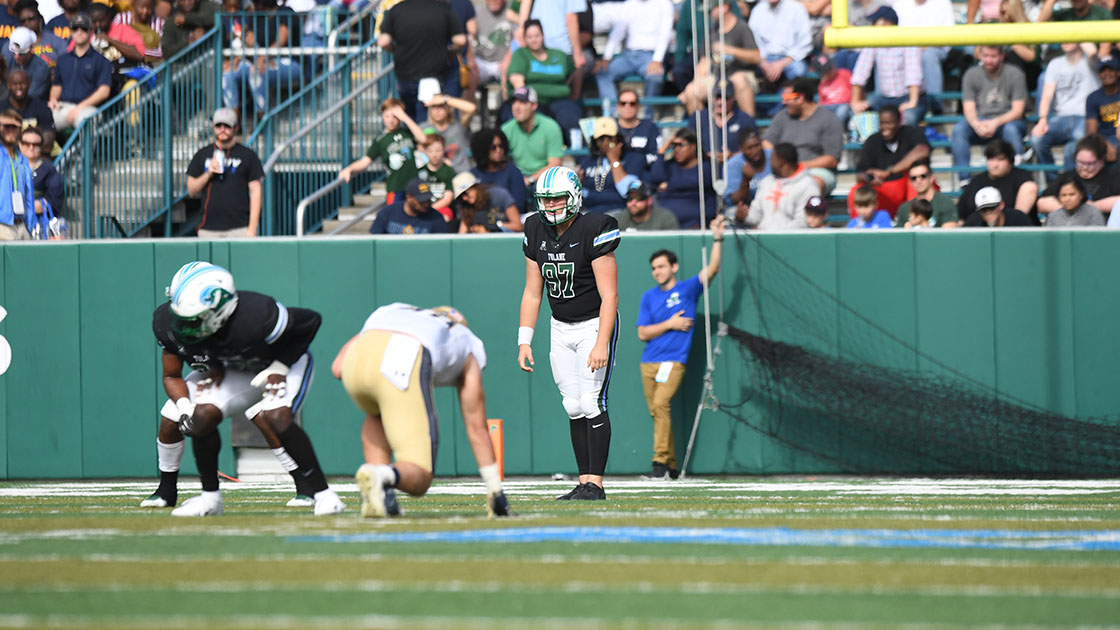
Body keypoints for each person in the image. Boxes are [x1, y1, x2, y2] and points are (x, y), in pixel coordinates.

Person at [144, 261, 345, 517]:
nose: (188, 328)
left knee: (275, 414)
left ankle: (325, 495)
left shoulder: (257, 315)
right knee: (203, 415)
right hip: (240, 368)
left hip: (284, 363)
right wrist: (214, 365)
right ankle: (210, 499)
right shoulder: (171, 322)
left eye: (197, 320)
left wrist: (279, 367)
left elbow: (311, 321)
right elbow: (196, 352)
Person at [332, 303, 511, 519]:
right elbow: (477, 429)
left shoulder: (393, 310)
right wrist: (496, 491)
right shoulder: (466, 340)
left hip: (356, 361)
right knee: (421, 474)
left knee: (376, 413)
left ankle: (380, 493)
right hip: (405, 357)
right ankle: (381, 474)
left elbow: (337, 367)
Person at [518, 165, 620, 501]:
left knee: (592, 402)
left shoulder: (595, 227)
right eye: (545, 200)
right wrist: (524, 339)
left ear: (574, 196)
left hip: (593, 322)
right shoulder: (534, 228)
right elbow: (533, 291)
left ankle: (597, 484)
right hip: (559, 325)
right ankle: (584, 481)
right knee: (572, 406)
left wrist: (602, 341)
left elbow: (610, 296)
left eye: (557, 199)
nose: (550, 207)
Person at [636, 215, 726, 480]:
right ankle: (672, 466)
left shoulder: (687, 289)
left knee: (662, 404)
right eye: (654, 268)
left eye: (662, 266)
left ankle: (659, 463)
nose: (657, 272)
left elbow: (712, 268)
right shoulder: (649, 296)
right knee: (657, 412)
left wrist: (717, 237)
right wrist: (670, 323)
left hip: (674, 361)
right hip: (649, 362)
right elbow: (642, 332)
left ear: (674, 267)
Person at [378, 0, 465, 122]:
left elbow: (383, 41)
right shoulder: (443, 9)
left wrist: (395, 50)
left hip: (405, 76)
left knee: (409, 120)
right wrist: (450, 51)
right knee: (429, 123)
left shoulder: (396, 10)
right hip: (433, 75)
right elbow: (460, 40)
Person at [186, 107, 263, 238]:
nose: (222, 129)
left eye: (227, 125)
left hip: (239, 229)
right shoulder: (202, 154)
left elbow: (256, 192)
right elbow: (192, 190)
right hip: (208, 229)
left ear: (236, 128)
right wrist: (208, 174)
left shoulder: (247, 155)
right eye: (218, 125)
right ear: (213, 127)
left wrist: (252, 227)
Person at [1030, 43, 1099, 182]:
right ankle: (1054, 183)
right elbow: (1047, 96)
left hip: (1085, 117)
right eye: (1064, 37)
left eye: (1071, 37)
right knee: (1036, 140)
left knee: (1070, 150)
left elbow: (1093, 53)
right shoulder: (1055, 63)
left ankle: (1071, 186)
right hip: (1061, 118)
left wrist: (1078, 36)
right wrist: (1042, 120)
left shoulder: (1090, 59)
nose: (1066, 41)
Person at [505, 19, 580, 146]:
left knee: (571, 116)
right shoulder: (521, 54)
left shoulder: (559, 55)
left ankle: (577, 156)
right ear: (525, 38)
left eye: (537, 36)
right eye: (530, 37)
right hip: (532, 103)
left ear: (543, 35)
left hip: (559, 102)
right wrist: (529, 105)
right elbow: (518, 82)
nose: (534, 40)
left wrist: (574, 96)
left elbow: (575, 72)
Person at [952, 45, 1029, 170]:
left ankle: (1016, 173)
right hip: (983, 121)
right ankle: (964, 179)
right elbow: (969, 108)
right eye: (985, 56)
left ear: (1002, 56)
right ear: (979, 56)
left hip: (1008, 121)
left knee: (1011, 129)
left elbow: (1017, 111)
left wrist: (995, 123)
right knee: (959, 130)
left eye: (993, 56)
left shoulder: (1015, 74)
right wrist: (976, 124)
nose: (989, 60)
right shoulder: (971, 74)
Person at [764, 77, 844, 196]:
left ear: (800, 98)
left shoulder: (829, 119)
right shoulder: (782, 116)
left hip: (816, 171)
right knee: (764, 184)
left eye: (787, 98)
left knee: (811, 185)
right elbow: (767, 143)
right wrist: (778, 163)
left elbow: (831, 159)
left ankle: (810, 214)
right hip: (783, 170)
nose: (783, 102)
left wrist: (797, 167)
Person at [678, 2, 760, 117]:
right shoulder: (712, 32)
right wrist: (691, 86)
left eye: (712, 10)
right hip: (716, 77)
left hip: (741, 75)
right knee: (692, 91)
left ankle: (748, 130)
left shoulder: (742, 28)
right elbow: (704, 63)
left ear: (724, 8)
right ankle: (702, 131)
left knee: (739, 79)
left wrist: (730, 50)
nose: (709, 14)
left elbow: (756, 57)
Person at [220, 0, 301, 115]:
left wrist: (264, 57)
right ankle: (232, 122)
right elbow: (248, 41)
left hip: (289, 62)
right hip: (259, 62)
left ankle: (262, 121)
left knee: (255, 72)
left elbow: (280, 41)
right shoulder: (257, 17)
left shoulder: (285, 12)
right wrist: (236, 60)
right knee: (228, 73)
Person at [849, 7, 925, 127]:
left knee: (908, 119)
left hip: (907, 97)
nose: (873, 26)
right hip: (884, 98)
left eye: (875, 22)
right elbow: (860, 72)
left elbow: (913, 74)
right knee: (859, 116)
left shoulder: (908, 40)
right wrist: (855, 102)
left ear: (888, 23)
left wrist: (912, 101)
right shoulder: (874, 41)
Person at [849, 105, 931, 218]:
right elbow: (861, 172)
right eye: (882, 123)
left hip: (907, 185)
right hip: (883, 188)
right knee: (857, 190)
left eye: (889, 123)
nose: (885, 127)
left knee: (917, 177)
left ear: (899, 122)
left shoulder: (911, 133)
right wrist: (869, 176)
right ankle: (859, 228)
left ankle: (917, 224)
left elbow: (922, 151)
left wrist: (889, 172)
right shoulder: (873, 140)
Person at [593, 0, 673, 109]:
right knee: (603, 72)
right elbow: (618, 31)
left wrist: (657, 60)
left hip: (651, 56)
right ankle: (612, 115)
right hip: (629, 55)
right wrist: (606, 57)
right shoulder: (629, 4)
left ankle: (648, 117)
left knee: (655, 77)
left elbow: (665, 34)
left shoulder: (664, 4)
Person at [340, 98, 418, 204]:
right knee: (394, 218)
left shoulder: (407, 132)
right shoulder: (380, 140)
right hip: (396, 188)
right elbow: (365, 161)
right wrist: (349, 169)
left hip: (414, 186)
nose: (391, 120)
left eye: (395, 116)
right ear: (382, 116)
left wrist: (405, 118)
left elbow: (423, 138)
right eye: (387, 116)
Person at [49, 12, 112, 133]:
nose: (79, 31)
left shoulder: (101, 60)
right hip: (63, 107)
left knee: (86, 121)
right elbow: (57, 85)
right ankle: (53, 153)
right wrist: (53, 99)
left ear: (90, 31)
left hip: (88, 108)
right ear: (71, 32)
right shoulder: (63, 59)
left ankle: (83, 153)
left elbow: (104, 92)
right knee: (44, 120)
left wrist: (78, 109)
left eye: (83, 28)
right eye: (75, 28)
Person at [737, 142, 819, 230]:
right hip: (763, 240)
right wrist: (743, 217)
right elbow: (755, 217)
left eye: (772, 159)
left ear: (781, 162)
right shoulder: (766, 182)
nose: (769, 163)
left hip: (791, 241)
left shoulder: (808, 186)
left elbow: (803, 222)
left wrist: (774, 237)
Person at [649, 128, 718, 229]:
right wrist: (662, 150)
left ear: (693, 146)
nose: (677, 150)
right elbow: (655, 177)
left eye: (681, 145)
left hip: (696, 224)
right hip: (667, 223)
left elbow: (696, 182)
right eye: (674, 146)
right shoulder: (669, 166)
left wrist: (669, 185)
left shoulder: (707, 167)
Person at [1036, 135, 1120, 217]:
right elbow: (1042, 202)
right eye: (1080, 162)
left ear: (1102, 159)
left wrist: (1094, 207)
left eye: (1090, 163)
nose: (1084, 167)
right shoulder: (1067, 177)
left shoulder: (1114, 177)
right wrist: (1067, 209)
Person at [957, 139, 1038, 222]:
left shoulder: (1022, 178)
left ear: (1010, 161)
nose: (995, 165)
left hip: (1015, 231)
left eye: (1000, 159)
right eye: (991, 159)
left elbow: (1019, 219)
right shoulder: (976, 181)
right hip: (981, 232)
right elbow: (961, 216)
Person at [893, 0, 955, 108]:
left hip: (935, 48)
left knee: (929, 56)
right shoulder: (900, 4)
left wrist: (924, 46)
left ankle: (934, 104)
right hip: (906, 49)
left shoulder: (943, 3)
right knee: (885, 54)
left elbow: (949, 35)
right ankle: (893, 101)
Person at [500, 85, 564, 187]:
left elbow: (555, 163)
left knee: (543, 188)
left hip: (545, 177)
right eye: (514, 102)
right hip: (517, 176)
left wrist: (530, 179)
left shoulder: (551, 127)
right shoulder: (506, 129)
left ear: (534, 105)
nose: (516, 107)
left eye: (522, 102)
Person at [579, 116, 643, 215]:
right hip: (590, 211)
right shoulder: (588, 161)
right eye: (601, 139)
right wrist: (579, 185)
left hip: (619, 211)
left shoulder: (632, 159)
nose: (605, 143)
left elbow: (627, 190)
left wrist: (614, 161)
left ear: (618, 139)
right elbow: (584, 195)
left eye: (609, 138)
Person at [747, 0, 812, 86]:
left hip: (790, 58)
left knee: (799, 70)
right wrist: (763, 63)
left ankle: (786, 97)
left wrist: (782, 63)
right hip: (764, 59)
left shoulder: (797, 8)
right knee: (744, 71)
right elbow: (752, 43)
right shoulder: (758, 10)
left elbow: (805, 43)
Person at [688, 89, 756, 162]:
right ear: (711, 98)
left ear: (733, 98)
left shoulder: (745, 120)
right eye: (717, 97)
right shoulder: (698, 117)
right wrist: (705, 156)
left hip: (736, 166)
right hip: (704, 166)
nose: (720, 102)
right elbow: (688, 144)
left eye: (725, 98)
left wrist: (732, 156)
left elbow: (754, 148)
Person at [470, 127, 527, 213]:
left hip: (509, 221)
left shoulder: (513, 172)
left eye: (501, 146)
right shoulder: (473, 174)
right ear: (483, 149)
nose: (499, 150)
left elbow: (519, 205)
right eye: (493, 147)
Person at [369, 177, 450, 235]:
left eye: (428, 200)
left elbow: (443, 248)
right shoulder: (387, 213)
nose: (426, 204)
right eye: (421, 200)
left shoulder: (437, 218)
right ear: (408, 197)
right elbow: (371, 242)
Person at [419, 93, 475, 173]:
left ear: (449, 109)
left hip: (461, 173)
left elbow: (472, 108)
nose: (437, 110)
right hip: (438, 176)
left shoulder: (458, 126)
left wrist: (445, 99)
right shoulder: (423, 128)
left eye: (441, 106)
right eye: (434, 107)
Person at [895, 159, 959, 228]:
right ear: (910, 181)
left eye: (923, 176)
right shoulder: (904, 208)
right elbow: (898, 237)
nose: (918, 181)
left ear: (931, 178)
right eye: (914, 178)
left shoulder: (945, 203)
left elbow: (948, 235)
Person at [452, 170, 520, 233]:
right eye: (460, 197)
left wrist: (494, 227)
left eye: (465, 193)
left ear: (475, 187)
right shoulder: (466, 207)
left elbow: (518, 226)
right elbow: (461, 234)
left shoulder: (500, 195)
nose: (464, 198)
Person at [0, 108, 32, 241]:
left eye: (15, 127)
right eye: (7, 127)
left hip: (22, 225)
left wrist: (31, 225)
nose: (11, 131)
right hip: (3, 225)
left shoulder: (23, 159)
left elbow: (28, 196)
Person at [19, 125, 62, 221]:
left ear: (41, 146)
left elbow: (53, 202)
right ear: (19, 144)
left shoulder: (48, 169)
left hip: (38, 224)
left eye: (35, 144)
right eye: (26, 143)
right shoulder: (9, 166)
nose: (31, 147)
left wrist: (21, 207)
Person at [471, 0, 516, 88]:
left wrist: (508, 58)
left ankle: (507, 101)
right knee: (469, 74)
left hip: (504, 60)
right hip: (481, 60)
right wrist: (471, 60)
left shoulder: (511, 10)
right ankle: (468, 102)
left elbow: (519, 37)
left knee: (511, 74)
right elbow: (469, 37)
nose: (493, 1)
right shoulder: (477, 11)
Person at [7, 69, 54, 153]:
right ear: (9, 85)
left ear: (29, 84)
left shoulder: (41, 107)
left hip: (38, 156)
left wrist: (28, 152)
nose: (19, 87)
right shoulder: (2, 108)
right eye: (15, 84)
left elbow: (48, 143)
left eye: (22, 84)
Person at [615, 87, 662, 170]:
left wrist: (636, 161)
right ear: (618, 106)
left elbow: (656, 155)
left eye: (632, 103)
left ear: (638, 106)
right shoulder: (611, 128)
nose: (627, 106)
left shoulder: (650, 127)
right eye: (623, 103)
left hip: (643, 175)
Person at [1085, 56, 1120, 160]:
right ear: (1098, 75)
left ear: (1118, 73)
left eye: (1111, 70)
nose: (1107, 73)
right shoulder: (1093, 98)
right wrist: (1105, 145)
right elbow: (1092, 132)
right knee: (1071, 149)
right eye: (1103, 71)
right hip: (1104, 138)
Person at [413, 133, 455, 220]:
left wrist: (431, 209)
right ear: (424, 151)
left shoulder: (449, 171)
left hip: (442, 208)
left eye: (438, 150)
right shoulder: (420, 171)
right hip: (422, 208)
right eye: (430, 151)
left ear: (444, 150)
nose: (434, 154)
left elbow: (448, 198)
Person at [726, 127, 770, 207]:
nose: (755, 151)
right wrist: (745, 180)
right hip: (747, 207)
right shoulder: (733, 164)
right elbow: (735, 200)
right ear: (741, 149)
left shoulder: (773, 157)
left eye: (757, 145)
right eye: (749, 148)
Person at [6, 27, 52, 103]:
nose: (16, 57)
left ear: (31, 49)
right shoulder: (8, 60)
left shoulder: (41, 67)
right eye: (14, 53)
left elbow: (32, 95)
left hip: (33, 106)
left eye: (21, 54)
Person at [613, 180, 679, 231]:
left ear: (649, 200)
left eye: (639, 198)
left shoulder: (666, 219)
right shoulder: (619, 219)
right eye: (630, 199)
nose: (633, 203)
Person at [964, 186, 1034, 227]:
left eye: (992, 207)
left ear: (1001, 205)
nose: (988, 212)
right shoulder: (973, 224)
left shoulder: (1019, 219)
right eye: (983, 210)